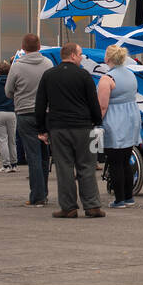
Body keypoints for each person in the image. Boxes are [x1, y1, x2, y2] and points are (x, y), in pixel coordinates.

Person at [34, 43, 104, 218]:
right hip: (83, 127)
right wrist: (97, 121)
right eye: (80, 54)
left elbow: (40, 104)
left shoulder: (49, 75)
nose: (81, 58)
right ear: (72, 55)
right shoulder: (84, 75)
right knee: (87, 165)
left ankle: (68, 207)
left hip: (59, 128)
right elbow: (93, 102)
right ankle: (92, 205)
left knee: (64, 167)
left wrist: (42, 128)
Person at [6, 34, 54, 206]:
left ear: (23, 47)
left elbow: (8, 90)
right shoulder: (48, 64)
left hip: (25, 113)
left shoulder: (17, 66)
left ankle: (37, 196)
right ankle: (44, 192)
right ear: (39, 46)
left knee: (32, 155)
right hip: (46, 113)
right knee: (43, 155)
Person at [98, 45, 141, 209]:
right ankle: (129, 196)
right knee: (125, 160)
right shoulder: (131, 75)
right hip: (131, 119)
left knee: (115, 162)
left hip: (115, 120)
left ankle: (119, 199)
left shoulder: (107, 78)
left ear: (107, 59)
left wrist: (96, 123)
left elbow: (103, 106)